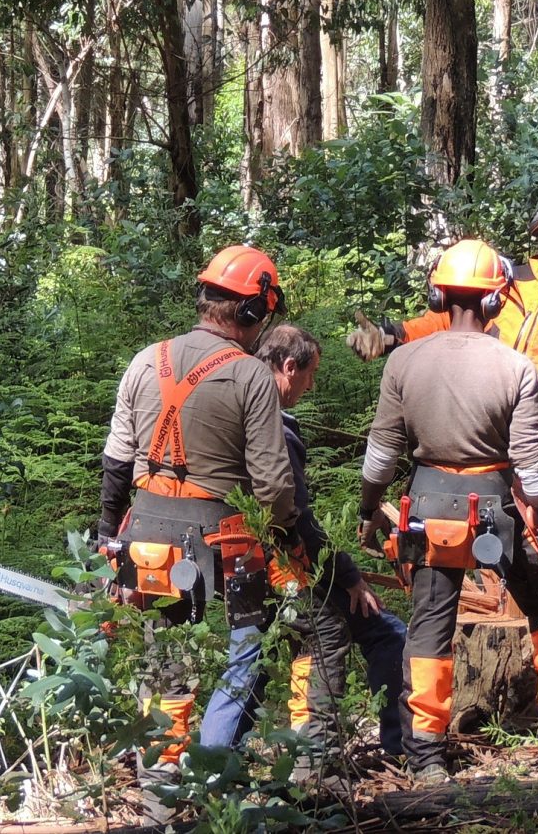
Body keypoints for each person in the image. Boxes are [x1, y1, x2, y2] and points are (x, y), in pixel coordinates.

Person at [348, 185, 538, 601]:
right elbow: (444, 321)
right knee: (462, 551)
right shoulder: (512, 280)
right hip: (490, 439)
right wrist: (390, 336)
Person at [358, 239, 538, 783]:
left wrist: (370, 509)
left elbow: (380, 454)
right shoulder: (515, 367)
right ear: (495, 301)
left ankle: (426, 756)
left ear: (438, 295)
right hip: (499, 504)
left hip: (427, 507)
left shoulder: (403, 360)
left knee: (429, 627)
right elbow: (533, 468)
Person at [97, 244, 297, 804]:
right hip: (223, 537)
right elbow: (275, 486)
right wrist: (291, 533)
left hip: (145, 534)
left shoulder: (145, 359)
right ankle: (215, 766)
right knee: (251, 646)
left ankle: (162, 782)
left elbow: (116, 461)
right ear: (254, 312)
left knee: (165, 658)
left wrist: (107, 535)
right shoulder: (251, 377)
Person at [199, 324, 406, 770]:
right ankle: (343, 759)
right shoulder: (273, 428)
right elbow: (298, 519)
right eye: (309, 375)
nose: (310, 386)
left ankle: (212, 769)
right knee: (370, 630)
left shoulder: (232, 409)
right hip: (286, 569)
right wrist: (347, 575)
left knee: (246, 662)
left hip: (240, 563)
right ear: (288, 367)